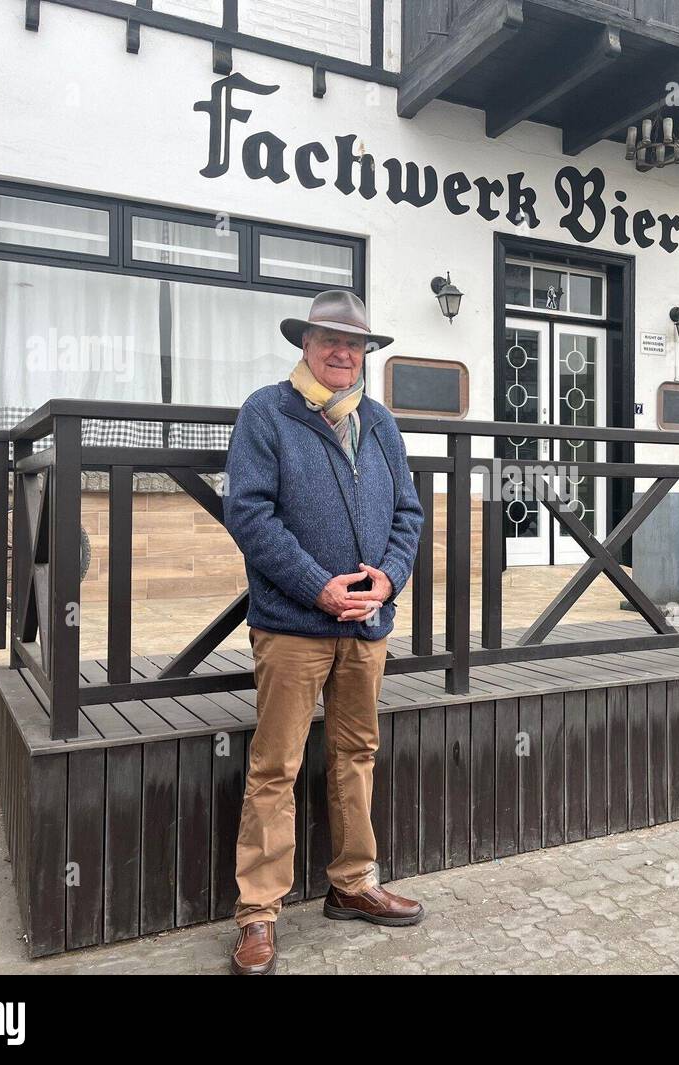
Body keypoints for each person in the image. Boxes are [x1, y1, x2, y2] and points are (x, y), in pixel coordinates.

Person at [223, 290, 424, 976]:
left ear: (366, 352)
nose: (342, 353)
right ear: (304, 344)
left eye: (354, 343)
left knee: (356, 751)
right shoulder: (266, 412)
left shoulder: (380, 420)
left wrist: (389, 578)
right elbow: (249, 514)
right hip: (293, 624)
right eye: (328, 340)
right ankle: (257, 915)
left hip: (367, 623)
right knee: (275, 765)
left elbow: (408, 512)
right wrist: (318, 585)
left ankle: (352, 882)